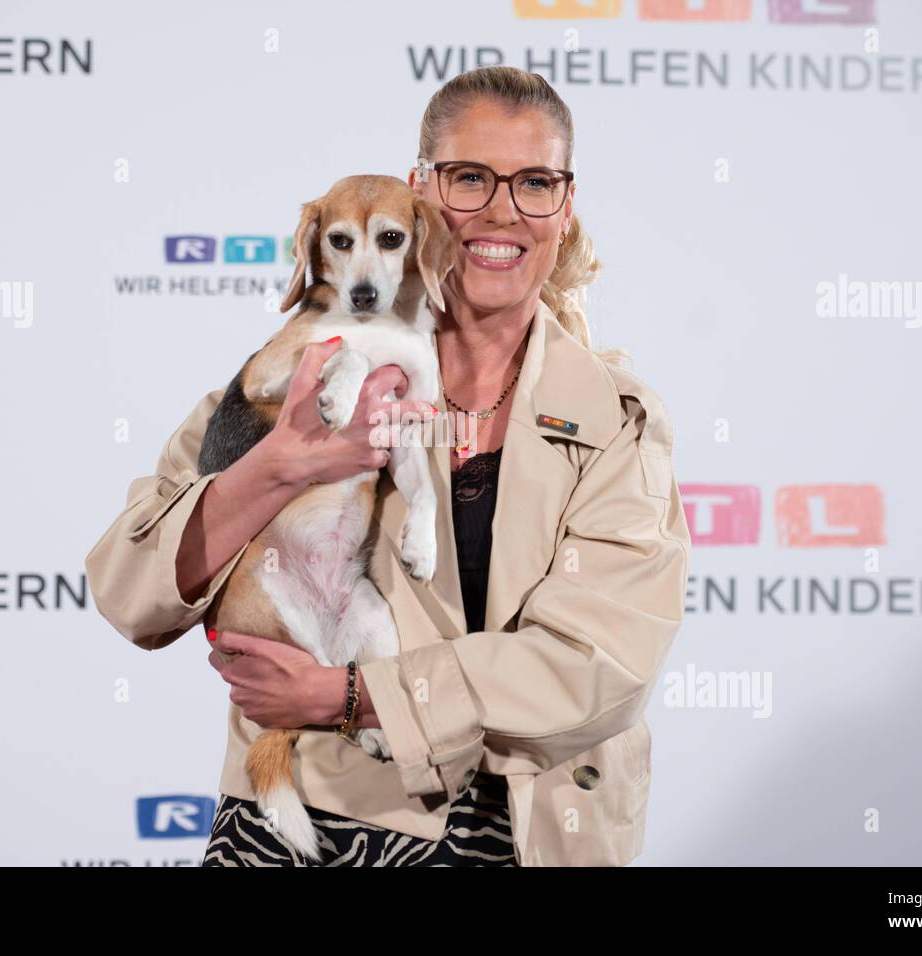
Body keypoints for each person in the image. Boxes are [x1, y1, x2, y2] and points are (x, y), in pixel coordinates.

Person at [84, 65, 691, 867]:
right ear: (422, 191)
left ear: (565, 206)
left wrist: (350, 696)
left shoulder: (616, 419)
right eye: (470, 178)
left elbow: (600, 669)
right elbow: (129, 589)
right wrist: (280, 465)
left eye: (535, 182)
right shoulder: (313, 366)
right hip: (307, 816)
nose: (502, 210)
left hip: (534, 836)